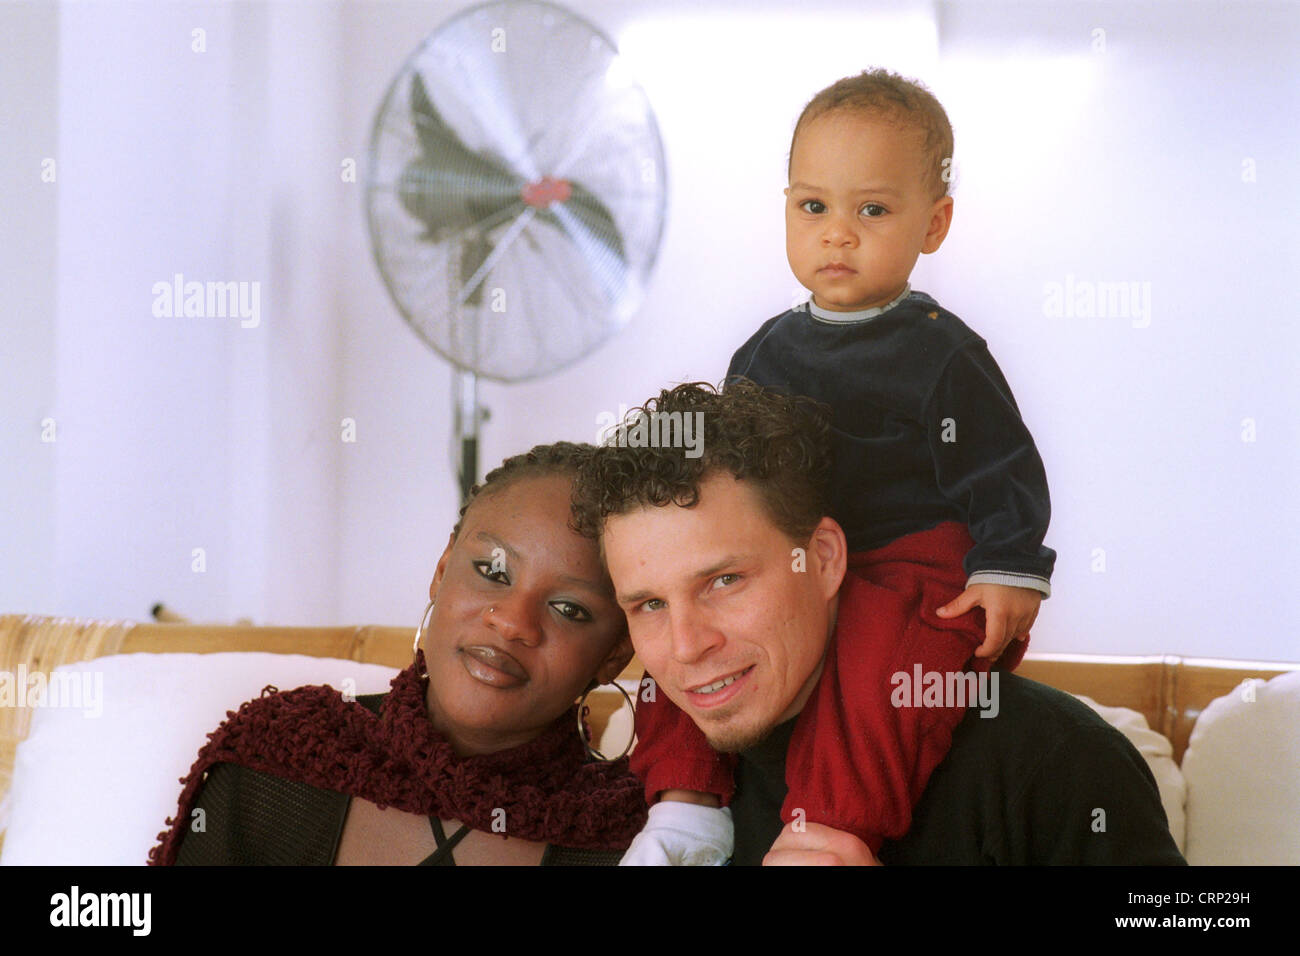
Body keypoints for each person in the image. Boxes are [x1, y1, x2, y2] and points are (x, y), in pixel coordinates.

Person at [617, 69, 1058, 863]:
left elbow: (1001, 468)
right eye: (813, 207)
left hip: (908, 556)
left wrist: (1009, 566)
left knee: (877, 669)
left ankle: (829, 825)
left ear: (935, 223)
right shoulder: (765, 350)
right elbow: (730, 474)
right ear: (786, 207)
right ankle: (684, 808)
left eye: (873, 210)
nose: (838, 234)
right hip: (796, 557)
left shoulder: (940, 351)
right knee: (681, 650)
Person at [573, 381, 1185, 865]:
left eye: (724, 581)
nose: (686, 646)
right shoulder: (638, 792)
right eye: (650, 604)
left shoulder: (1052, 760)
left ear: (824, 560)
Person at [149, 442, 646, 866]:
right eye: (492, 572)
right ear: (442, 569)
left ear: (615, 654)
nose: (512, 622)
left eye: (568, 608)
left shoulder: (631, 839)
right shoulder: (277, 760)